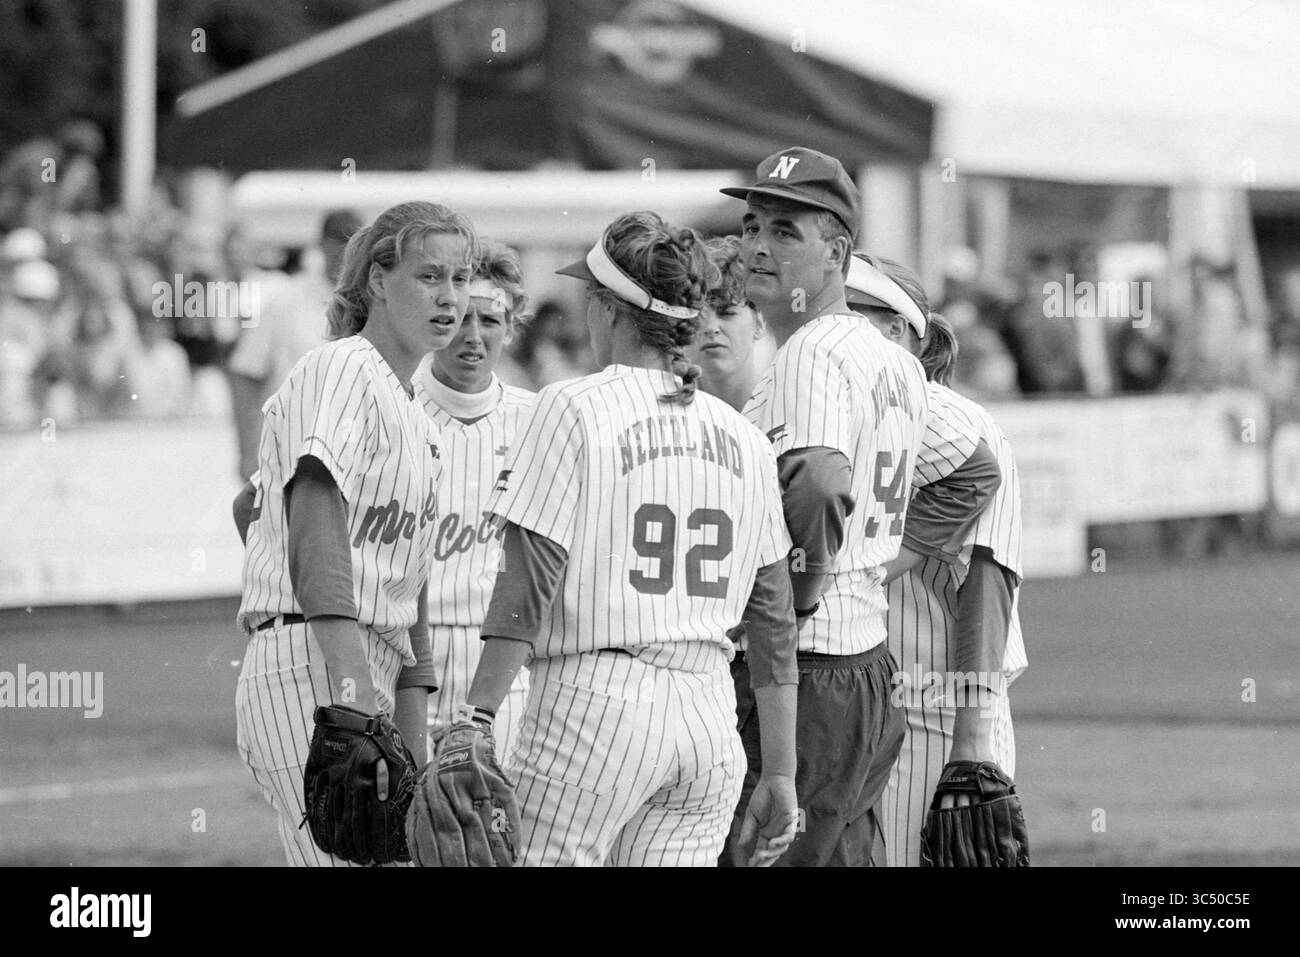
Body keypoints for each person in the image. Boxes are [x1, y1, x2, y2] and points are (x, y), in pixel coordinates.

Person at [457, 210, 801, 867]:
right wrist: (780, 771)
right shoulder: (745, 437)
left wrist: (477, 717)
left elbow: (529, 579)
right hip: (708, 718)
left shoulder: (574, 405)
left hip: (593, 708)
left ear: (610, 308)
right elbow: (774, 623)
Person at [233, 201, 475, 866]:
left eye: (461, 278)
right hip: (314, 658)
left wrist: (415, 741)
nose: (450, 296)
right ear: (376, 281)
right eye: (430, 277)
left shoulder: (419, 420)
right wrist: (349, 685)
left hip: (365, 657)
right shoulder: (342, 366)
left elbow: (410, 599)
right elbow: (312, 506)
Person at [720, 147, 928, 866]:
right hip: (866, 660)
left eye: (785, 231)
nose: (756, 246)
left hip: (808, 667)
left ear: (838, 250)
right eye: (751, 226)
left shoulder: (814, 351)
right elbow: (962, 471)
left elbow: (819, 482)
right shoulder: (894, 359)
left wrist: (791, 604)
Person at [874, 311, 1027, 866]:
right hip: (863, 697)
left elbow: (988, 581)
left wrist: (970, 744)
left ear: (898, 331)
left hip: (935, 710)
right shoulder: (852, 417)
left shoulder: (966, 427)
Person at [413, 239, 536, 763]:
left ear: (511, 327)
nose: (473, 336)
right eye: (459, 318)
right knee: (390, 833)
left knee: (485, 830)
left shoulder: (542, 419)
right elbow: (259, 506)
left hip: (498, 657)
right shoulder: (388, 401)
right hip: (399, 651)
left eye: (489, 320)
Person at [228, 210, 363, 478]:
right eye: (338, 240)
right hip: (291, 449)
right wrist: (246, 452)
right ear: (322, 244)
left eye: (353, 242)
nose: (345, 250)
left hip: (356, 453)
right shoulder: (285, 301)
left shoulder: (377, 303)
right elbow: (245, 372)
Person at [689, 235, 773, 411]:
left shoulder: (784, 411)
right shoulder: (668, 419)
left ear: (759, 322)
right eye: (697, 315)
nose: (711, 328)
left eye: (726, 313)